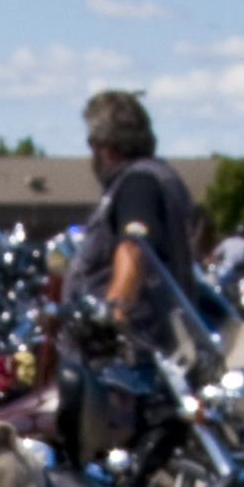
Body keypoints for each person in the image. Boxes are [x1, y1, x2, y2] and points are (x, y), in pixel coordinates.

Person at [80, 89, 198, 338]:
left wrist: (113, 316)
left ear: (107, 147)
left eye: (92, 145)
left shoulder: (138, 183)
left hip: (129, 351)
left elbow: (134, 246)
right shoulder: (161, 176)